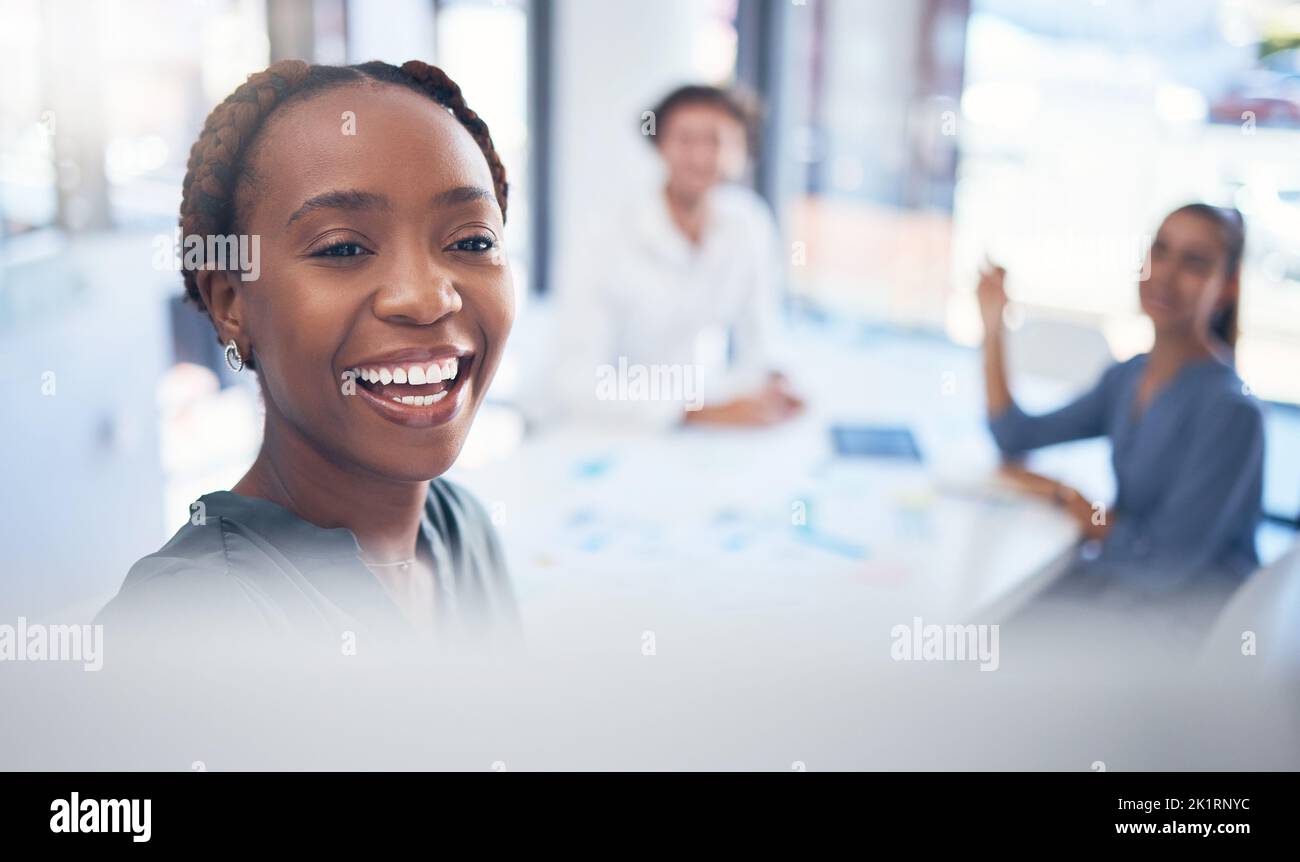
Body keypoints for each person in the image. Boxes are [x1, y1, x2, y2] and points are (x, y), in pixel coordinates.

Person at [97, 60, 517, 646]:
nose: (426, 299)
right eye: (343, 248)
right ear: (230, 303)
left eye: (472, 241)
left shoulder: (462, 528)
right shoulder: (183, 623)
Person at [978, 204, 1264, 631]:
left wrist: (1069, 500)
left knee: (994, 637)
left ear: (1228, 286)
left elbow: (1162, 564)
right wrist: (992, 324)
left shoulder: (1231, 412)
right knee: (987, 622)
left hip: (1175, 628)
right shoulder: (1128, 378)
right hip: (1125, 592)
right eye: (1161, 251)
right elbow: (1015, 434)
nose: (1165, 274)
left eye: (1195, 262)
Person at [547, 84, 803, 428]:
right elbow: (576, 379)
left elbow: (762, 331)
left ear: (742, 149)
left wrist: (776, 378)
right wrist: (701, 411)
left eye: (716, 140)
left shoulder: (749, 224)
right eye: (684, 139)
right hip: (596, 426)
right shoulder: (604, 233)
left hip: (695, 430)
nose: (700, 157)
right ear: (659, 145)